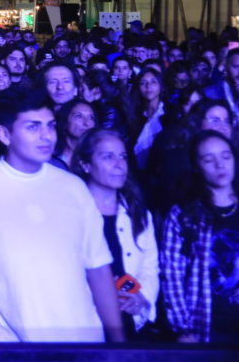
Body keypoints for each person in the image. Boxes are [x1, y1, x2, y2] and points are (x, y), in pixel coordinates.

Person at [0, 88, 124, 342]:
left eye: (50, 126)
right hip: (14, 349)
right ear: (4, 134)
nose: (46, 136)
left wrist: (118, 344)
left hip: (85, 344)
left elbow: (99, 270)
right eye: (33, 127)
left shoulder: (74, 188)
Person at [161, 130, 239, 344]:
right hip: (209, 328)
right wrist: (183, 328)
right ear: (196, 167)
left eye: (226, 156)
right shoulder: (183, 215)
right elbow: (172, 273)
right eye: (209, 160)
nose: (220, 165)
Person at [71, 128, 159, 336]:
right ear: (85, 164)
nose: (119, 164)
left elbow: (149, 266)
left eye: (122, 156)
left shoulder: (138, 212)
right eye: (108, 157)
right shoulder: (70, 214)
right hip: (86, 325)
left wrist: (142, 298)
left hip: (131, 323)